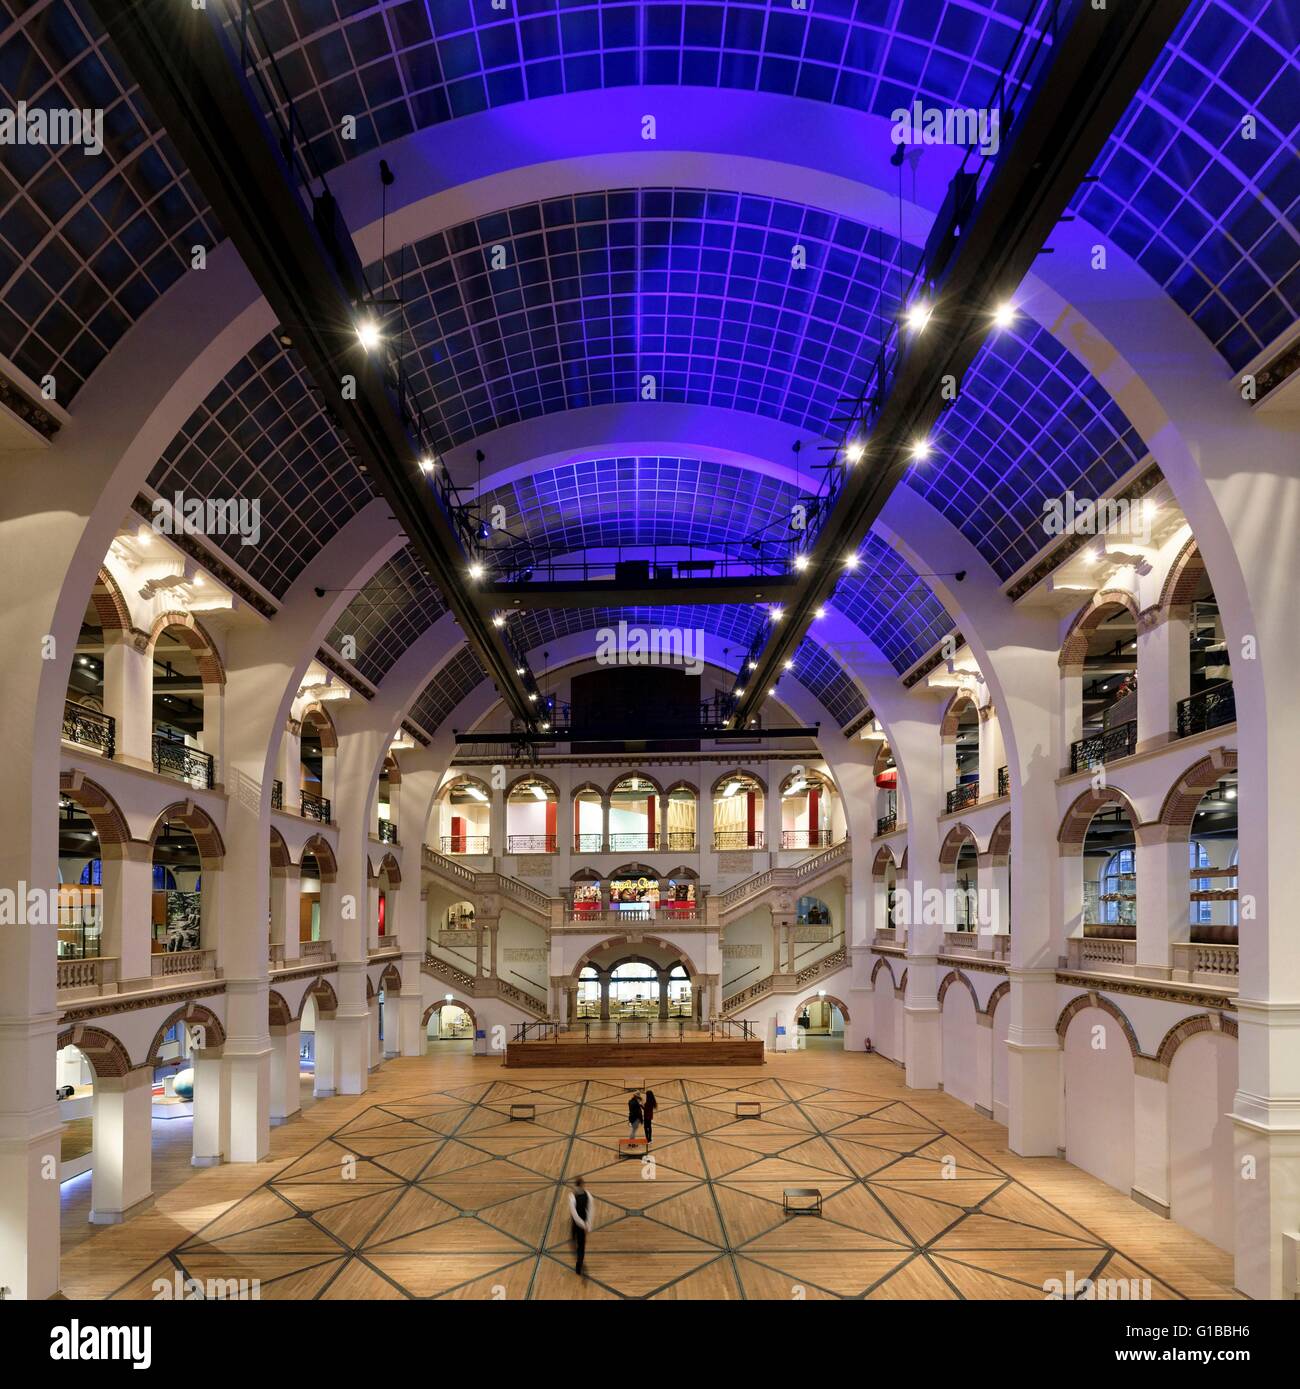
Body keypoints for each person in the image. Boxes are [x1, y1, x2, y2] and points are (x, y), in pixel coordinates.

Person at [568, 1176, 594, 1276]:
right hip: (582, 1225)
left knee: (579, 1244)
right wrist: (587, 1225)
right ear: (582, 1185)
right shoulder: (588, 1196)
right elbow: (590, 1211)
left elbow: (574, 1214)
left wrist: (585, 1225)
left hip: (578, 1224)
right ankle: (579, 1264)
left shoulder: (572, 1196)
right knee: (581, 1246)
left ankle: (579, 1264)